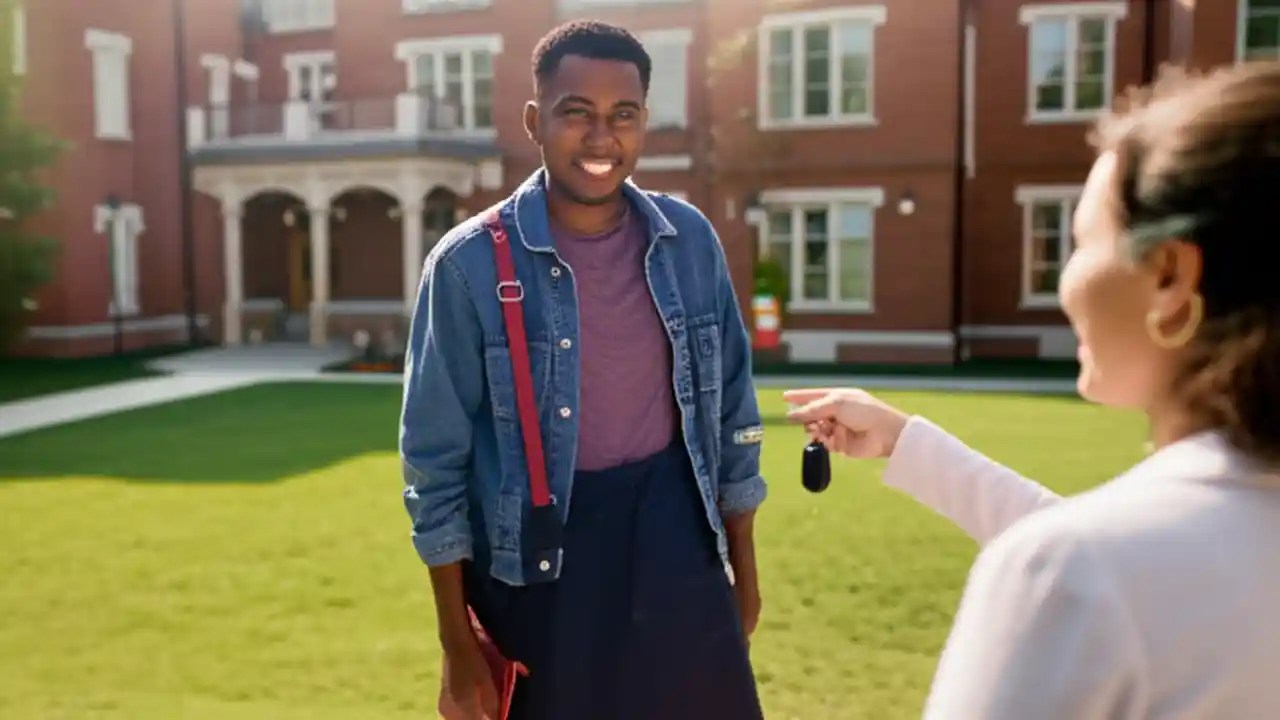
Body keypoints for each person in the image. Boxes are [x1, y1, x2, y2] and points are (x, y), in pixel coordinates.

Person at [786, 61, 1280, 719]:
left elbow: (1098, 569)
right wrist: (907, 443)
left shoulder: (1082, 573)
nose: (1063, 281)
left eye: (1081, 241)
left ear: (1169, 277)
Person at [399, 20, 767, 720]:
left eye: (622, 116)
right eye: (577, 113)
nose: (602, 138)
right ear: (536, 121)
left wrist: (743, 575)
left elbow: (733, 417)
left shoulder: (688, 241)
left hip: (678, 549)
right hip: (542, 574)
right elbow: (432, 466)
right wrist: (457, 644)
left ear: (643, 124)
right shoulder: (469, 265)